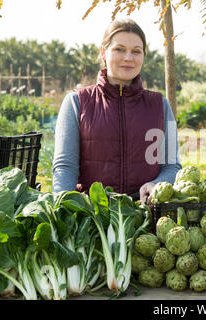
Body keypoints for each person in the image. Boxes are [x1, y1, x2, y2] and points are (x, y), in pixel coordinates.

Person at [52, 18, 181, 203]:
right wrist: (66, 209)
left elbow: (172, 166)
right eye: (119, 49)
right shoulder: (77, 101)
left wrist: (157, 184)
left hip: (145, 216)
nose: (128, 58)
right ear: (104, 53)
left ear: (143, 56)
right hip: (92, 218)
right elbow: (65, 167)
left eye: (136, 51)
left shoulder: (160, 105)